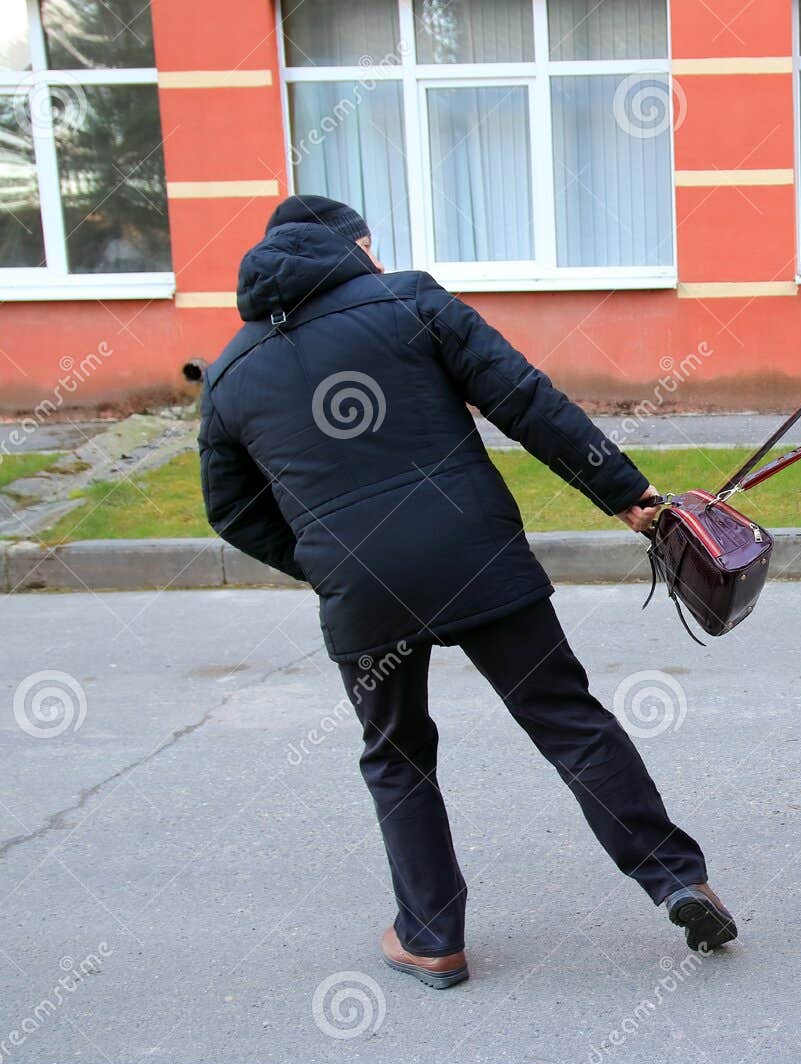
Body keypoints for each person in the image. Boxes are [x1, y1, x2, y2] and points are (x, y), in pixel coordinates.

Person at [198, 195, 736, 989]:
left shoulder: (230, 373)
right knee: (567, 719)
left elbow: (232, 511)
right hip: (476, 555)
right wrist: (626, 493)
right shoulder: (409, 298)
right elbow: (524, 398)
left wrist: (328, 559)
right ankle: (675, 879)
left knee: (397, 756)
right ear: (356, 245)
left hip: (363, 594)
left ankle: (432, 935)